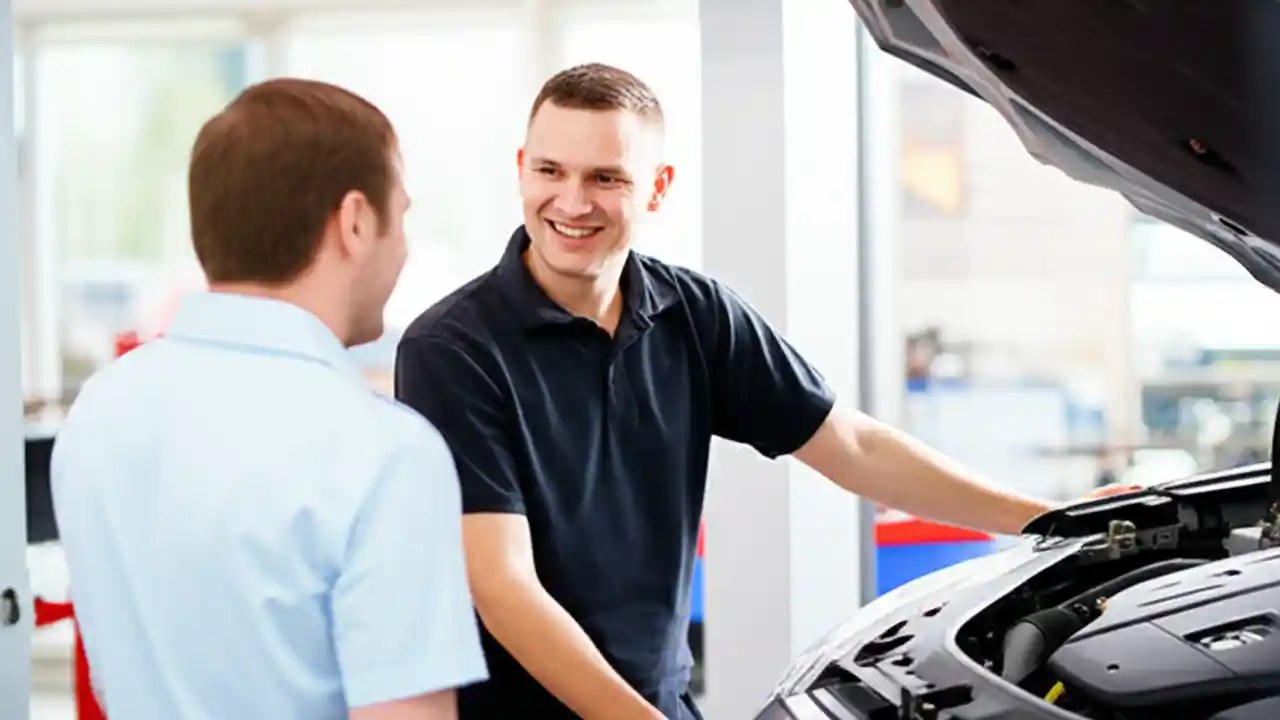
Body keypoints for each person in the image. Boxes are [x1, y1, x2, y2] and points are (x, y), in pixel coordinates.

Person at [393, 63, 1135, 720]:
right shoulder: (452, 350)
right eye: (550, 171)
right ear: (521, 168)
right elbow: (503, 586)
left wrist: (1050, 521)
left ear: (657, 188)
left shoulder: (694, 314)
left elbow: (852, 445)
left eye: (606, 178)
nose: (571, 201)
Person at [51, 78, 486, 720]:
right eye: (403, 215)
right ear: (356, 222)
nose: (406, 246)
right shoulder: (385, 453)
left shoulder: (99, 411)